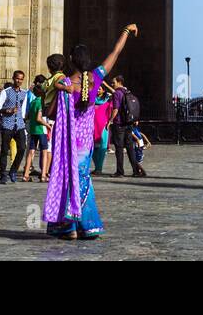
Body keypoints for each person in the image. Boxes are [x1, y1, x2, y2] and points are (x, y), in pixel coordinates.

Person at [44, 23, 139, 239]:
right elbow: (115, 52)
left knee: (67, 181)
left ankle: (69, 228)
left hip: (68, 143)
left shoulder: (67, 84)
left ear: (70, 60)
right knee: (82, 180)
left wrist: (56, 89)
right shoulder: (95, 79)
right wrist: (125, 31)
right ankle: (86, 225)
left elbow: (50, 114)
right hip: (85, 145)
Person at [109, 74, 146, 178]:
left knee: (119, 148)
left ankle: (120, 171)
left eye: (114, 82)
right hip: (128, 123)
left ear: (119, 82)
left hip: (119, 124)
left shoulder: (117, 93)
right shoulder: (127, 92)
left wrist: (110, 120)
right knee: (130, 147)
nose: (112, 84)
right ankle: (135, 170)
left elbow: (115, 109)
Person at [0, 70, 30, 183]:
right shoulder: (6, 92)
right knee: (4, 151)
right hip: (7, 124)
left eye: (21, 79)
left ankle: (13, 170)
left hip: (19, 125)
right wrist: (8, 110)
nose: (19, 81)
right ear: (13, 78)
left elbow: (23, 109)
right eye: (17, 78)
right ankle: (3, 175)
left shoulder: (25, 93)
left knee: (22, 148)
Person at [24, 75, 50, 181]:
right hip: (41, 130)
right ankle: (43, 174)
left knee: (31, 151)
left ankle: (26, 174)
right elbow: (39, 118)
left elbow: (28, 116)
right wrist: (48, 125)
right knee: (44, 151)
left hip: (33, 129)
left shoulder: (32, 102)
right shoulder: (40, 102)